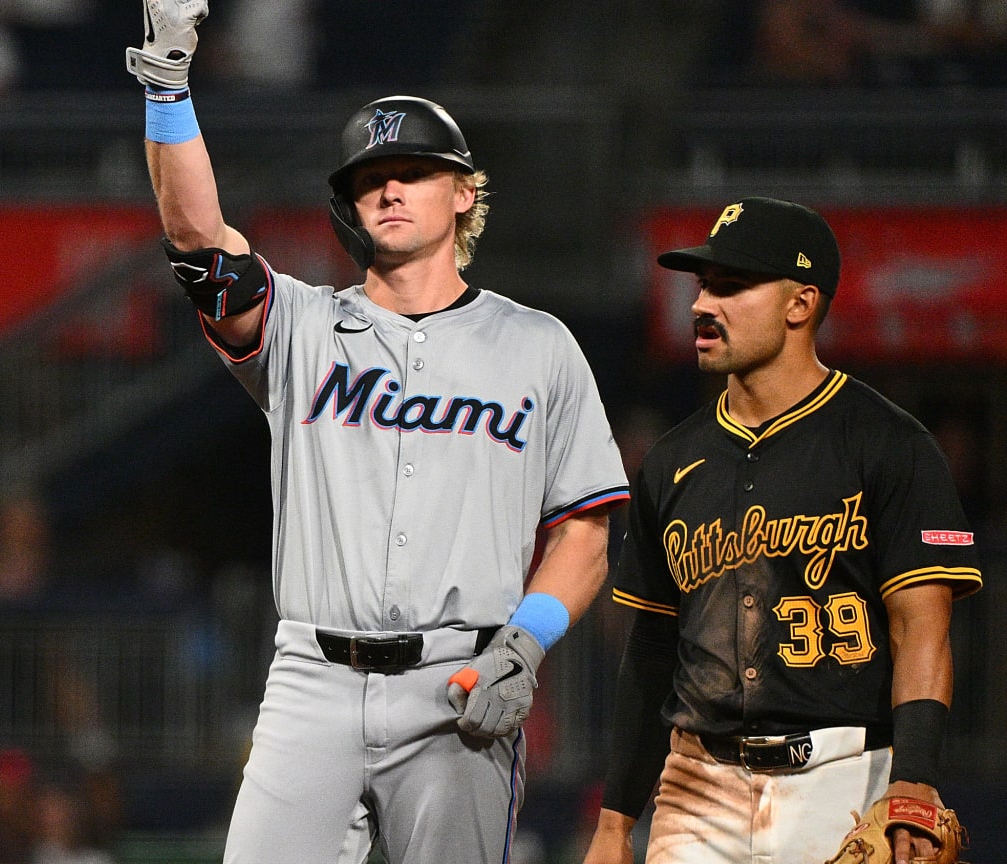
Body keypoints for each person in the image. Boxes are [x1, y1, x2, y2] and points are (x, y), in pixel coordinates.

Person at [128, 2, 631, 860]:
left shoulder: (538, 345)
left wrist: (525, 645)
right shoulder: (300, 328)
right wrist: (169, 83)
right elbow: (198, 241)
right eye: (370, 179)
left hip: (461, 681)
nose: (389, 188)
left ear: (464, 192)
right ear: (351, 207)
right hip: (311, 683)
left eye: (413, 171)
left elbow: (584, 535)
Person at [581, 197, 984, 863]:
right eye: (703, 284)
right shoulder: (672, 462)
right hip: (696, 786)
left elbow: (922, 629)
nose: (702, 303)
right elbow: (651, 649)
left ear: (800, 304)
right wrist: (615, 822)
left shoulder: (890, 445)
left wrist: (914, 778)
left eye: (731, 286)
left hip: (845, 778)